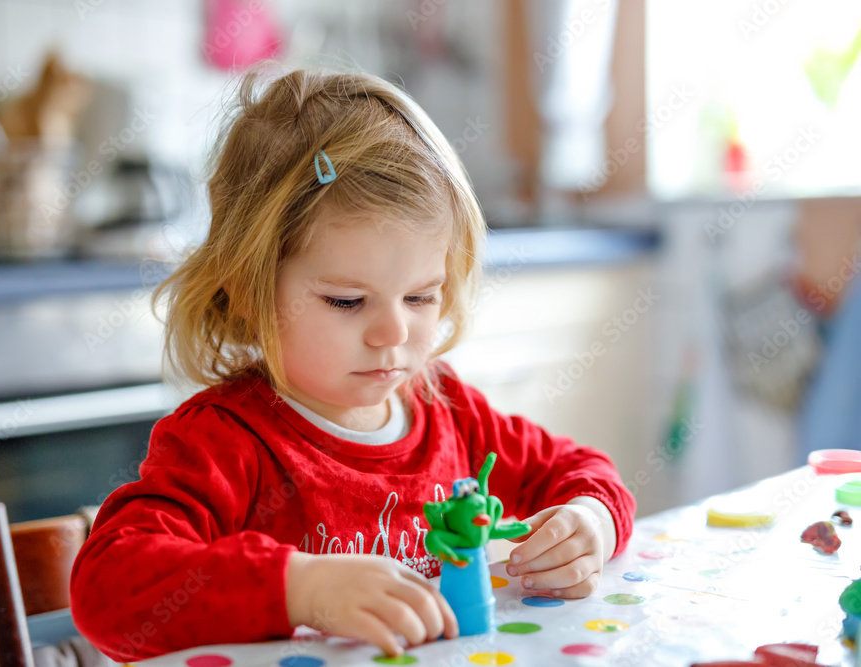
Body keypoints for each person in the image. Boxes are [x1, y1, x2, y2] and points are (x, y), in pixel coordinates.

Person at [69, 64, 636, 663]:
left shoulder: (449, 411)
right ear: (248, 289)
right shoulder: (223, 443)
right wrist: (301, 588)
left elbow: (584, 472)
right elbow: (108, 587)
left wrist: (589, 523)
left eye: (421, 296)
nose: (394, 332)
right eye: (347, 301)